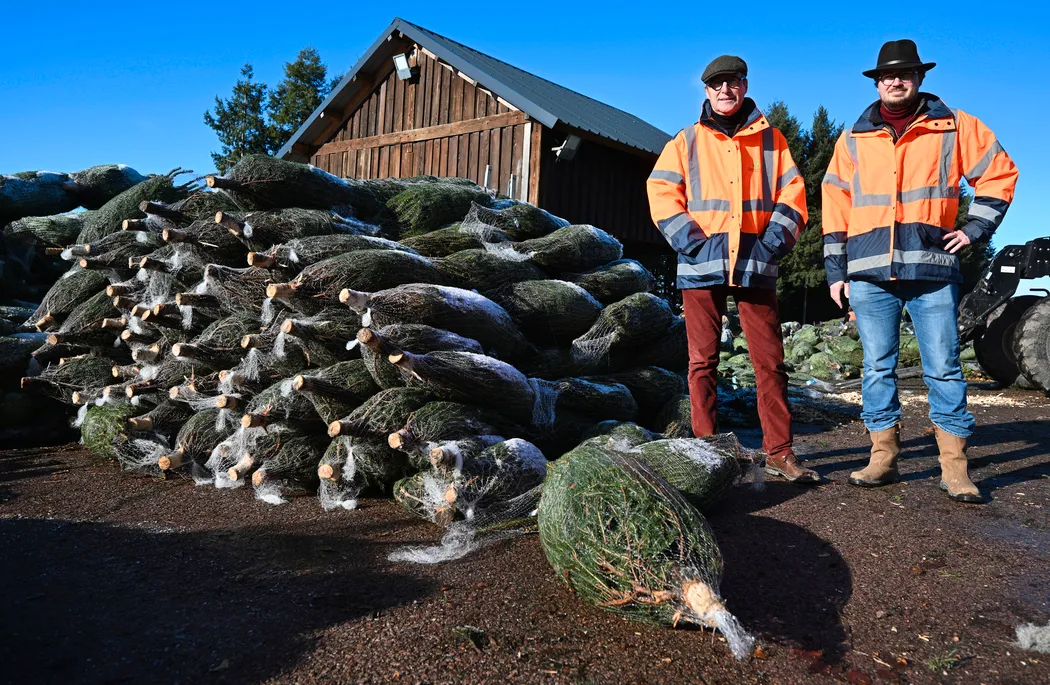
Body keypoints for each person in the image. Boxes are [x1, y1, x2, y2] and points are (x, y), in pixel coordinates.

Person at [822, 39, 1019, 503]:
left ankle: (954, 466)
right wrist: (836, 271)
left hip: (932, 270)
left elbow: (1001, 173)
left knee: (944, 368)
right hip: (870, 272)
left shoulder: (956, 127)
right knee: (876, 368)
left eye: (905, 73)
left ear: (920, 78)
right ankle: (883, 456)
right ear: (877, 81)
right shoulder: (854, 137)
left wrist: (974, 229)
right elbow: (836, 204)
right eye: (888, 74)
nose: (896, 80)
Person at [647, 55, 818, 482]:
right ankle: (707, 451)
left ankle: (779, 453)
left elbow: (793, 197)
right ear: (706, 91)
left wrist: (770, 244)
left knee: (770, 362)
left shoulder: (772, 141)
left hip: (755, 264)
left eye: (733, 82)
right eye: (716, 84)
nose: (725, 90)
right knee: (702, 362)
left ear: (744, 86)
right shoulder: (684, 142)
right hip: (700, 265)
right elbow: (662, 194)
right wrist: (693, 243)